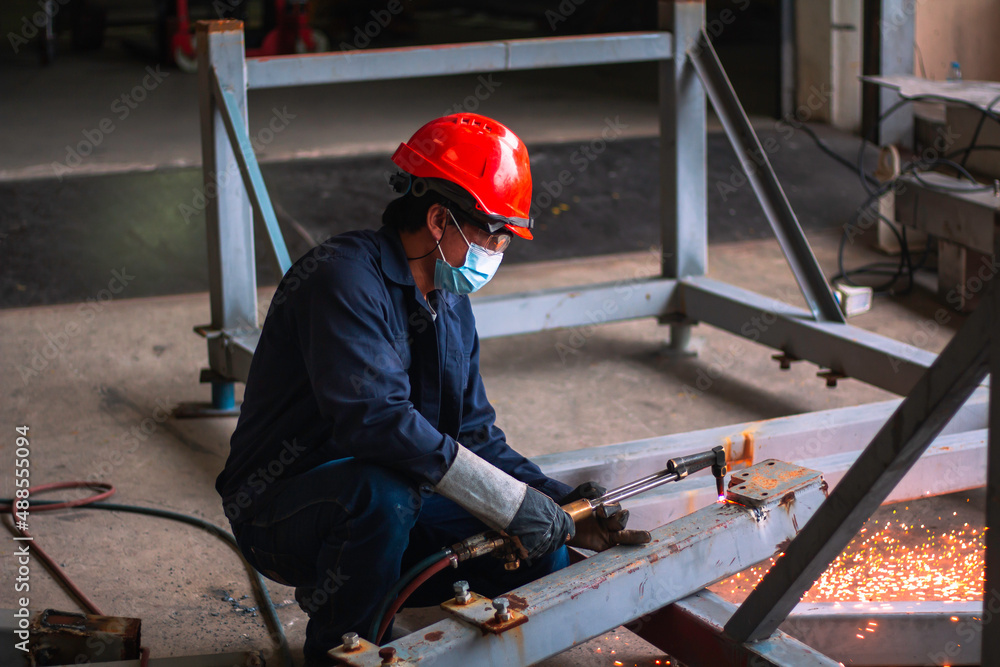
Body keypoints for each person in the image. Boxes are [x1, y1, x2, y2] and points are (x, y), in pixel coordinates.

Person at [215, 113, 647, 662]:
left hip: (395, 497)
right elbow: (375, 423)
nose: (499, 251)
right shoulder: (341, 279)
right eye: (494, 234)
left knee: (536, 548)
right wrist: (509, 503)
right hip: (282, 511)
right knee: (382, 495)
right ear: (440, 219)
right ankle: (340, 648)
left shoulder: (450, 301)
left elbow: (474, 434)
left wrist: (556, 503)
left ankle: (421, 605)